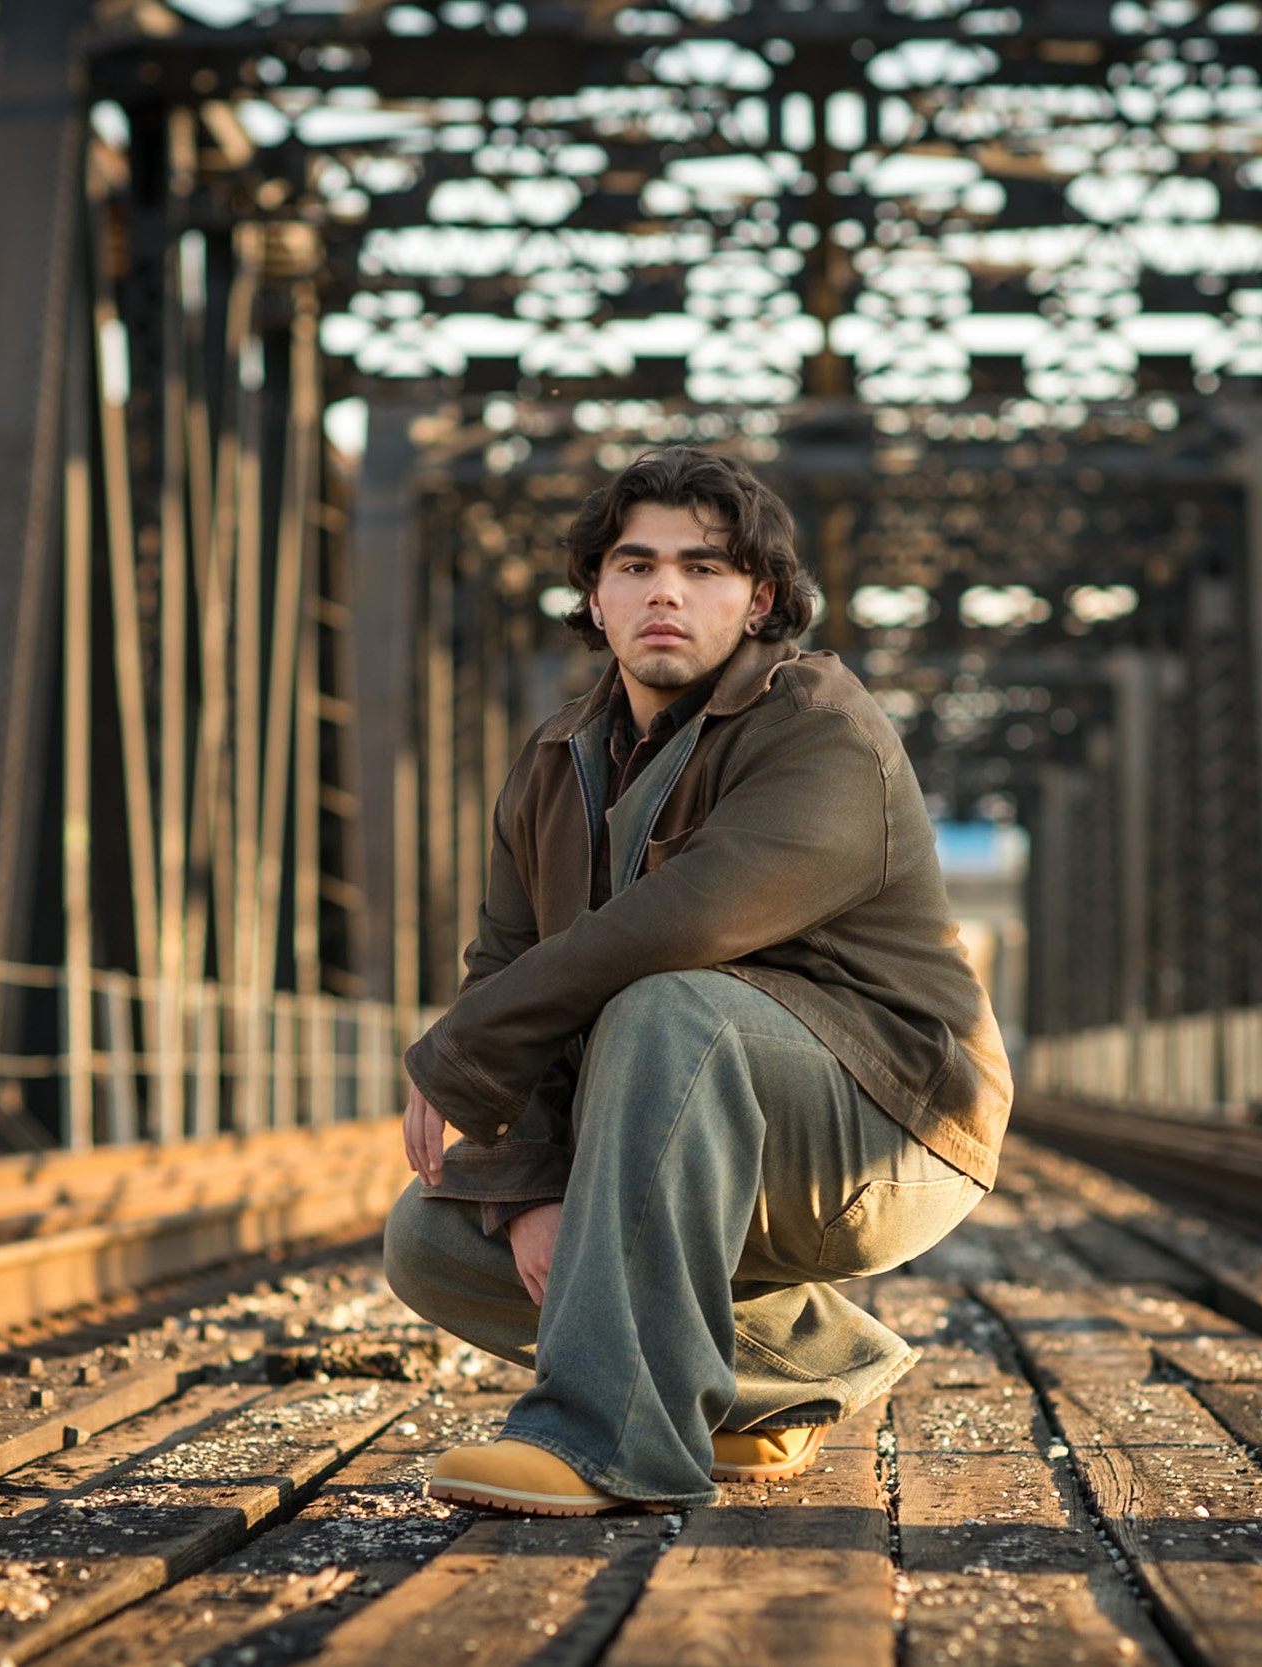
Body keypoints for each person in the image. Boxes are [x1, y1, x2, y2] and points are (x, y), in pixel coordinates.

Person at [385, 445, 1013, 1515]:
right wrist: (532, 1183)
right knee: (436, 1237)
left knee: (672, 1004)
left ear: (759, 597)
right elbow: (508, 959)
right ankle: (788, 1383)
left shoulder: (821, 730)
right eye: (633, 565)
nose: (665, 590)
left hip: (886, 1127)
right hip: (688, 1126)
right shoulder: (556, 758)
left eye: (704, 568)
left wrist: (462, 1048)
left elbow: (687, 919)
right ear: (594, 591)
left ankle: (608, 1437)